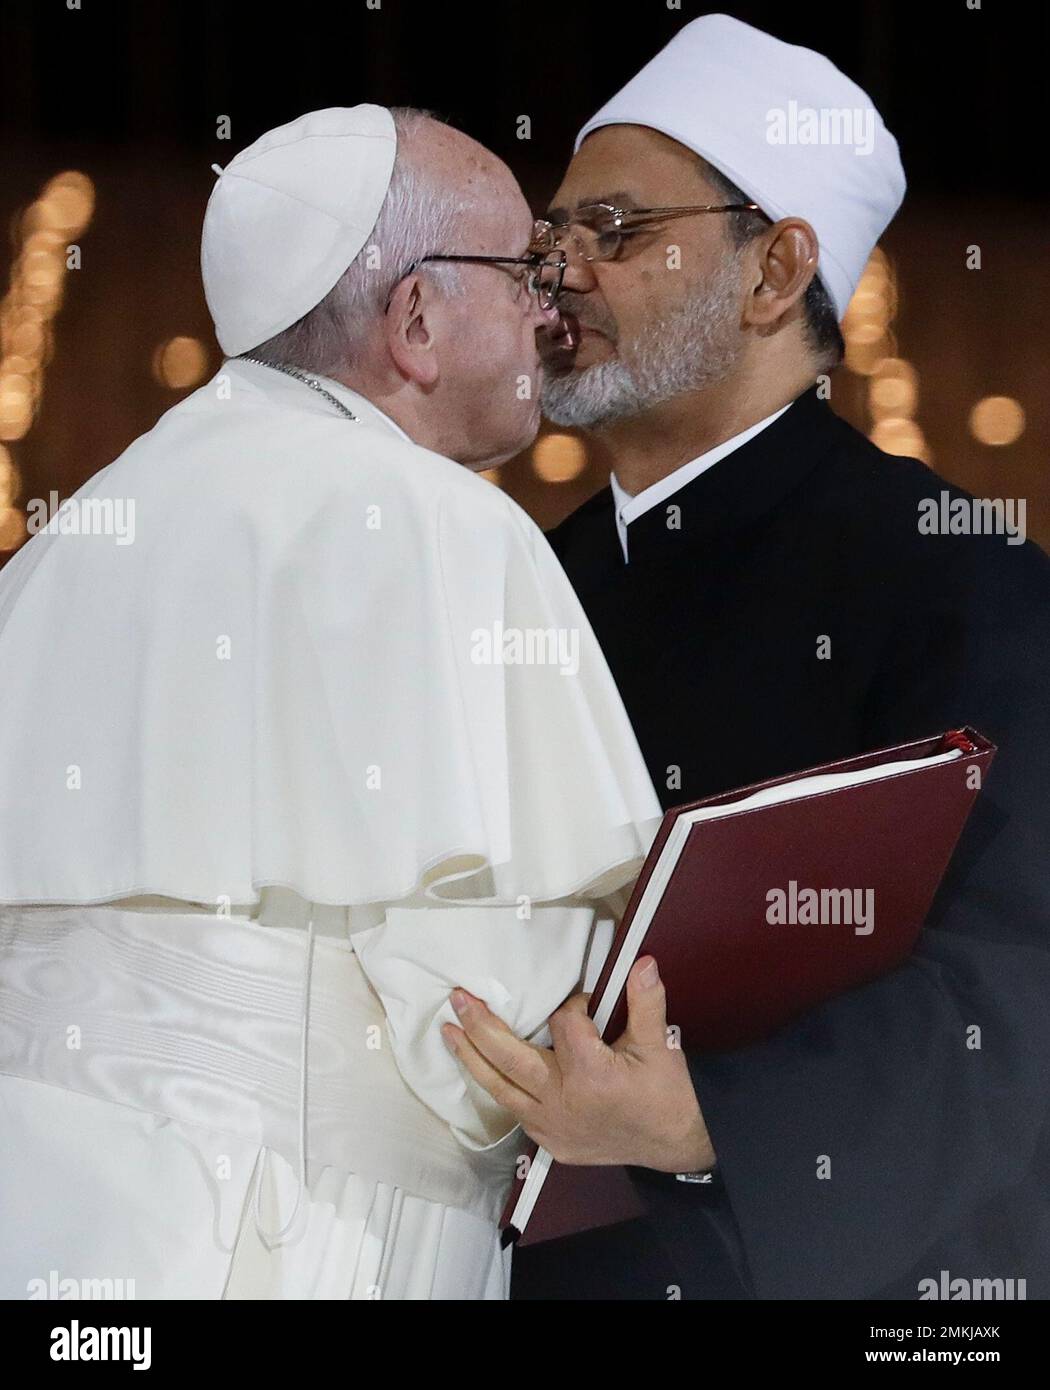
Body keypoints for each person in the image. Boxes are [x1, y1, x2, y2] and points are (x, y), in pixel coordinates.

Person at [0, 104, 664, 1300]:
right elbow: (493, 1026)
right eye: (520, 272)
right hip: (291, 1236)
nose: (547, 308)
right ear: (415, 320)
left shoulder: (80, 530)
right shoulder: (438, 524)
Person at [446, 16, 1050, 1300]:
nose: (558, 273)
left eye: (614, 231)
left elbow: (1020, 982)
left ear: (774, 272)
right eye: (554, 237)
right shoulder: (517, 580)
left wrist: (709, 1120)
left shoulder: (958, 579)